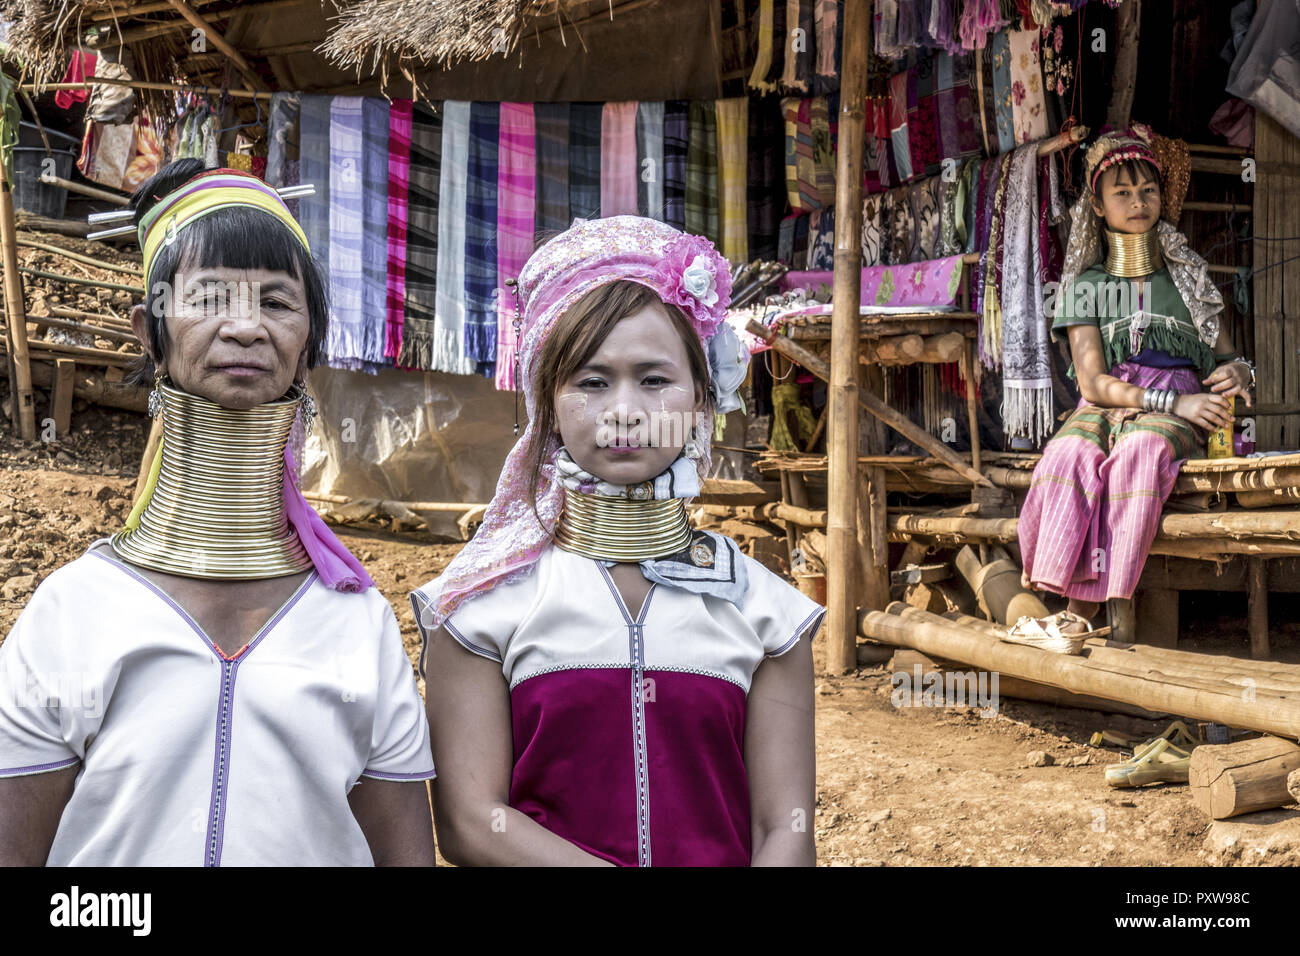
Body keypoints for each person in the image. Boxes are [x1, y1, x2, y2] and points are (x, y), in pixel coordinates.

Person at [0, 161, 436, 866]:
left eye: (276, 301)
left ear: (308, 343)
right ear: (151, 330)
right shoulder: (72, 613)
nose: (244, 328)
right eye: (207, 297)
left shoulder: (356, 623)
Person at [411, 216, 824, 866]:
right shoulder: (478, 611)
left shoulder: (767, 615)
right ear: (546, 398)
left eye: (655, 381)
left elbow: (786, 828)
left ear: (701, 399)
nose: (624, 410)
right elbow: (470, 821)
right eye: (591, 381)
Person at [1018, 125, 1253, 631]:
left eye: (1147, 190)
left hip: (1184, 404)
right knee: (1069, 453)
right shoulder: (1085, 286)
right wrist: (1167, 403)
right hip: (1109, 402)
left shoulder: (1188, 280)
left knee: (1139, 452)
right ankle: (1070, 605)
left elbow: (1231, 357)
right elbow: (1092, 384)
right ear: (1099, 206)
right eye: (1121, 192)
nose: (1137, 201)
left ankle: (1092, 611)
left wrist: (1237, 372)